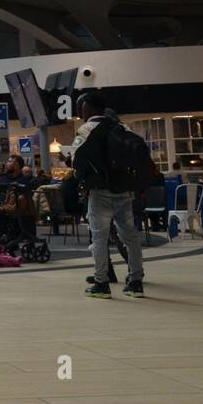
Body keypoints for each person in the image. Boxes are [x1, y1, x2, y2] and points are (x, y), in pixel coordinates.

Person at [67, 90, 144, 299]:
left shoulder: (86, 129)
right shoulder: (122, 127)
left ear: (87, 108)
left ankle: (101, 283)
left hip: (100, 192)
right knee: (130, 237)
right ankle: (136, 282)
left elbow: (76, 161)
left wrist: (83, 177)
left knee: (99, 238)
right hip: (124, 191)